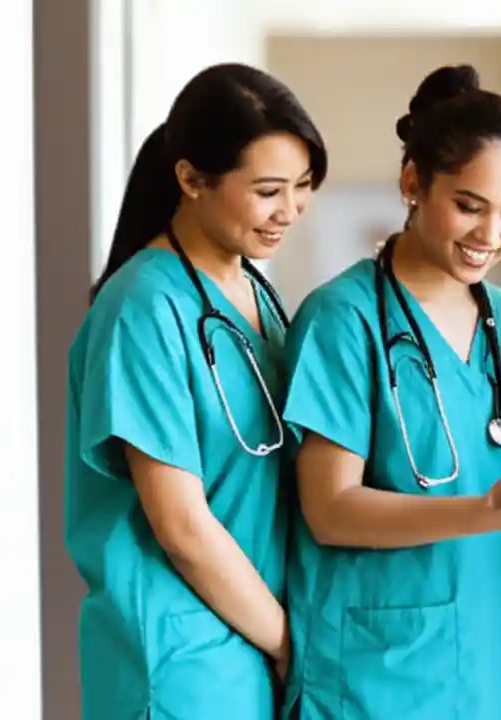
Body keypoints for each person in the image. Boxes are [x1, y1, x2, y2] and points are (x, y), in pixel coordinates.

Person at [279, 65, 501, 720]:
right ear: (413, 183)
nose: (490, 235)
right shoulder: (344, 319)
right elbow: (329, 509)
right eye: (469, 205)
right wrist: (485, 512)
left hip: (498, 667)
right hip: (374, 675)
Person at [65, 63, 327, 720]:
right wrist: (289, 641)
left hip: (250, 644)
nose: (288, 211)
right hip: (181, 664)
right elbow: (179, 524)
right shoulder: (144, 308)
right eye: (268, 190)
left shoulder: (258, 298)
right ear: (189, 179)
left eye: (301, 187)